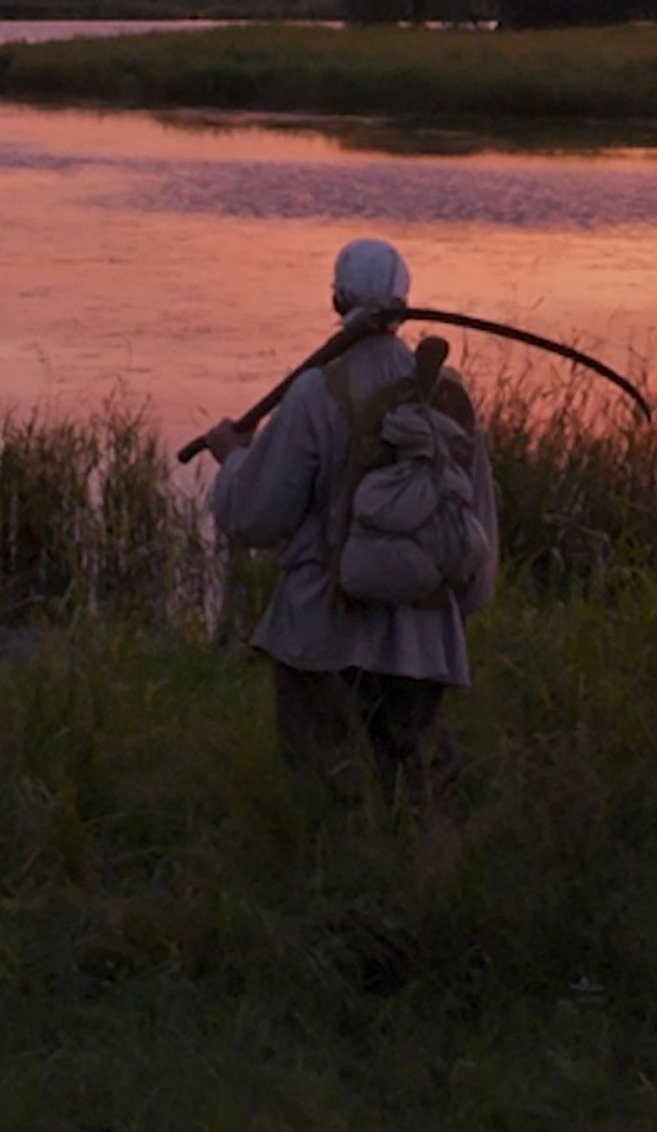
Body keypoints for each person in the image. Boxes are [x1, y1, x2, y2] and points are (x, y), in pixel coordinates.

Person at [192, 236, 497, 806]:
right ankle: (418, 880)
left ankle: (335, 882)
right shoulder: (450, 394)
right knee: (416, 797)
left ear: (337, 303)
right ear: (403, 307)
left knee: (325, 797)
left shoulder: (316, 391)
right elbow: (476, 517)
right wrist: (464, 604)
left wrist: (234, 458)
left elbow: (255, 516)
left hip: (323, 631)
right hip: (424, 638)